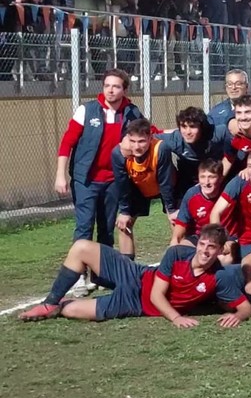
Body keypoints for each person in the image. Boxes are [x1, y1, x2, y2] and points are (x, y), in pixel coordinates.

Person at [19, 224, 251, 328]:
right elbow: (157, 294)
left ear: (219, 251)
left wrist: (238, 316)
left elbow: (246, 308)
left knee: (70, 311)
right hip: (137, 276)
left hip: (134, 304)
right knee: (81, 247)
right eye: (202, 244)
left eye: (211, 247)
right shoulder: (177, 254)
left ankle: (62, 305)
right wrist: (175, 318)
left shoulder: (218, 277)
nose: (204, 251)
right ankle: (50, 303)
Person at [55, 69, 143, 295]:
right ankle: (79, 276)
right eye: (107, 86)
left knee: (107, 229)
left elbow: (148, 134)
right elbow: (67, 143)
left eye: (116, 86)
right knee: (84, 226)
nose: (110, 90)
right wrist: (60, 174)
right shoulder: (87, 110)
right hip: (86, 180)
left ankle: (102, 274)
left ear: (125, 90)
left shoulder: (132, 113)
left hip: (114, 180)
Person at [111, 118, 178, 259]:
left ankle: (181, 261)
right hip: (138, 186)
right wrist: (124, 211)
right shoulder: (119, 153)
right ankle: (127, 266)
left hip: (164, 186)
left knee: (178, 222)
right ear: (127, 138)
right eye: (132, 141)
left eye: (141, 141)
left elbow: (165, 182)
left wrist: (171, 210)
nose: (136, 147)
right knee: (123, 224)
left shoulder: (161, 148)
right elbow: (122, 183)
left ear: (150, 138)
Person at [157, 106, 228, 202]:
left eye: (192, 126)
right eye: (184, 126)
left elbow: (238, 136)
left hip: (216, 179)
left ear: (202, 127)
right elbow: (148, 139)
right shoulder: (175, 139)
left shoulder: (216, 134)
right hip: (187, 182)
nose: (188, 132)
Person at [171, 159, 234, 263]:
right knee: (180, 251)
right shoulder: (191, 195)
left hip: (226, 238)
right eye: (203, 177)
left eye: (211, 177)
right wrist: (173, 247)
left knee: (225, 259)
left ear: (220, 178)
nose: (206, 182)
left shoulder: (230, 192)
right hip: (200, 237)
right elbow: (180, 226)